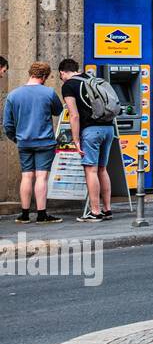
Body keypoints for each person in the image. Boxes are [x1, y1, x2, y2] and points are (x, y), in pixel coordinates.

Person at [2, 62, 65, 224]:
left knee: (27, 176)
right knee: (41, 177)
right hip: (45, 142)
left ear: (30, 73)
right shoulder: (49, 93)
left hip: (24, 142)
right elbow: (58, 111)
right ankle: (42, 214)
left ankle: (24, 215)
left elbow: (7, 124)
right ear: (44, 76)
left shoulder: (13, 95)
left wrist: (17, 138)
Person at [58, 59, 117, 222]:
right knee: (102, 169)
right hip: (109, 128)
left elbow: (74, 115)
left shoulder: (68, 85)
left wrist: (75, 139)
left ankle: (95, 212)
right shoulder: (92, 79)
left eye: (60, 76)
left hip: (91, 131)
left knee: (91, 170)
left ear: (62, 72)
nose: (62, 79)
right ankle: (107, 209)